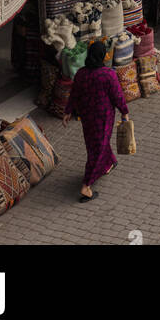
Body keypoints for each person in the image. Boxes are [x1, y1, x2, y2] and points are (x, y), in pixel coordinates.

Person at [63, 40, 130, 201]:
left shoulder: (81, 74)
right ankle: (86, 185)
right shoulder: (108, 75)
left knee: (95, 143)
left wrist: (68, 111)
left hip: (87, 117)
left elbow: (74, 94)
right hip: (104, 117)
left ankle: (110, 162)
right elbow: (117, 96)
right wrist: (124, 112)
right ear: (101, 56)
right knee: (97, 149)